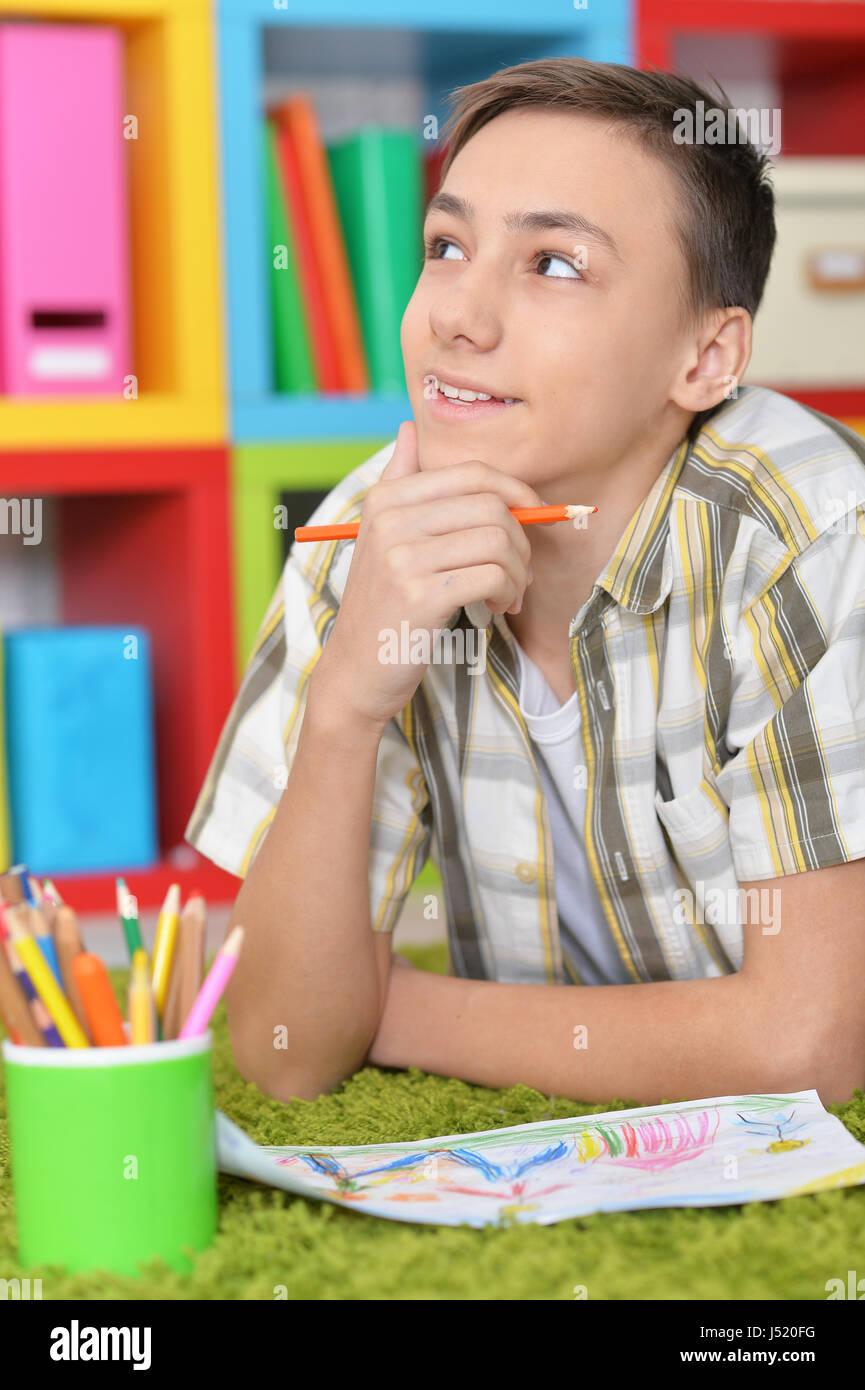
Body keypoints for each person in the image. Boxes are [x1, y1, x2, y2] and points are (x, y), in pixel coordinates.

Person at [185, 58, 865, 1108]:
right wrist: (346, 706)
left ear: (705, 356)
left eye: (552, 263)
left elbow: (809, 1046)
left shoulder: (807, 531)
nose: (457, 313)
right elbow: (283, 1047)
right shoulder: (370, 538)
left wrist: (397, 1009)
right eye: (446, 245)